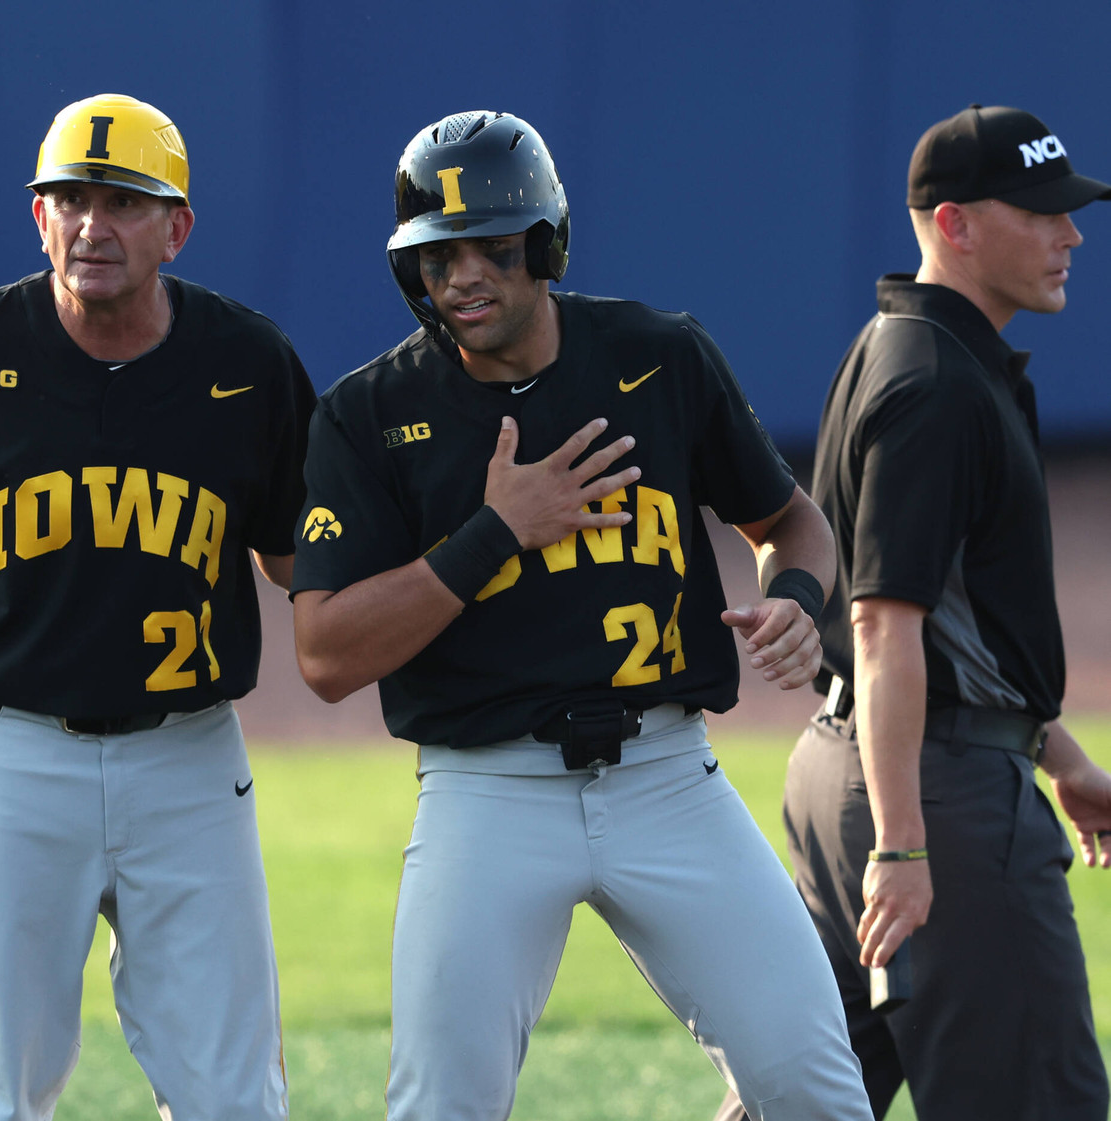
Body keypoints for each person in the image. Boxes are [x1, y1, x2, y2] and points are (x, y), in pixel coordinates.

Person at [290, 109, 871, 1120]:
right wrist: (497, 531)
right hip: (486, 791)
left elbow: (791, 522)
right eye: (439, 254)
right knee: (440, 1106)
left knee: (814, 1086)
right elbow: (326, 654)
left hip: (668, 776)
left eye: (494, 247)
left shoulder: (658, 355)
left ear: (547, 245)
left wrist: (794, 597)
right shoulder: (371, 412)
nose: (465, 275)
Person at [0, 94, 315, 1121]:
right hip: (13, 757)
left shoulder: (247, 365)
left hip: (190, 761)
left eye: (123, 202)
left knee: (234, 1096)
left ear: (177, 228)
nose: (91, 225)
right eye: (69, 199)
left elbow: (296, 557)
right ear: (39, 218)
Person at [716, 104, 1111, 1121]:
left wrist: (1058, 754)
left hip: (852, 769)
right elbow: (885, 623)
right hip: (936, 799)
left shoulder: (903, 348)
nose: (1072, 234)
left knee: (799, 1100)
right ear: (955, 223)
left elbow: (945, 626)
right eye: (1042, 211)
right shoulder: (937, 383)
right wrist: (903, 844)